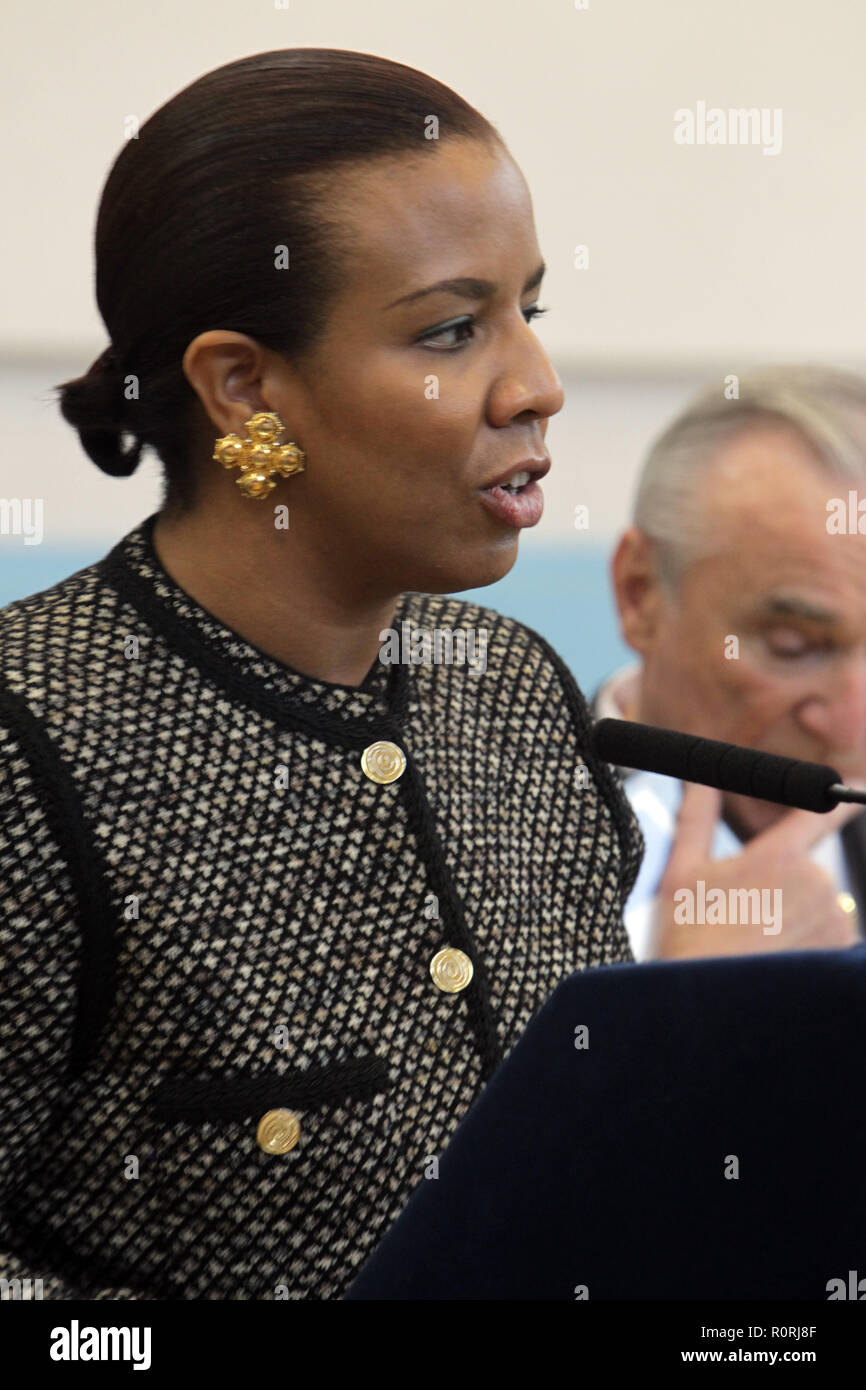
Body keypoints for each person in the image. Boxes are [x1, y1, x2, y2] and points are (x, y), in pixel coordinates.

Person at [0, 49, 643, 1301]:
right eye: (453, 330)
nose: (537, 387)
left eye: (529, 311)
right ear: (245, 390)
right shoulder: (31, 747)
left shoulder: (508, 688)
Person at [594, 366, 866, 961]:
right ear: (640, 592)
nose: (853, 726)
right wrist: (678, 1012)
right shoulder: (476, 831)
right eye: (794, 647)